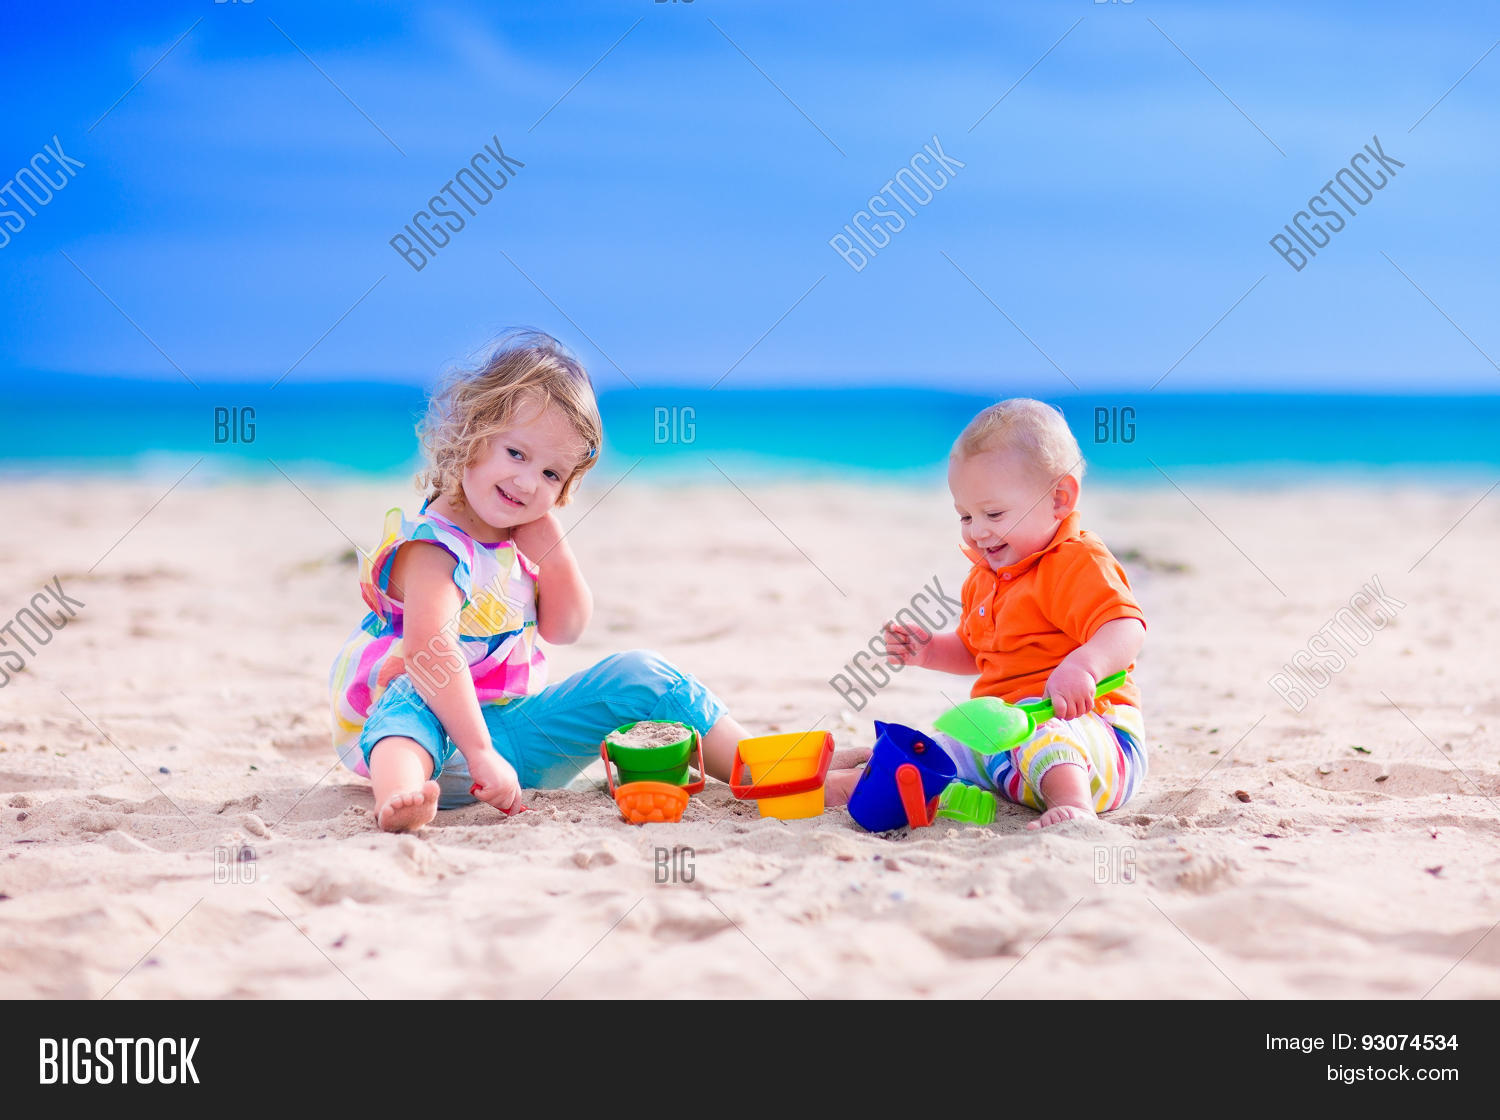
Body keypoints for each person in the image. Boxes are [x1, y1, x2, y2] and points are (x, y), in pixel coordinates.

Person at [883, 399, 1147, 828]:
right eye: (965, 516)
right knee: (936, 749)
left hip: (1093, 740)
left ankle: (1073, 807)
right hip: (1008, 741)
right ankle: (877, 788)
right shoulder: (985, 577)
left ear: (1059, 499)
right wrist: (929, 651)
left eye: (993, 513)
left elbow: (1125, 627)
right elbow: (977, 652)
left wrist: (1083, 666)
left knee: (1043, 735)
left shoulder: (1075, 561)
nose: (977, 531)